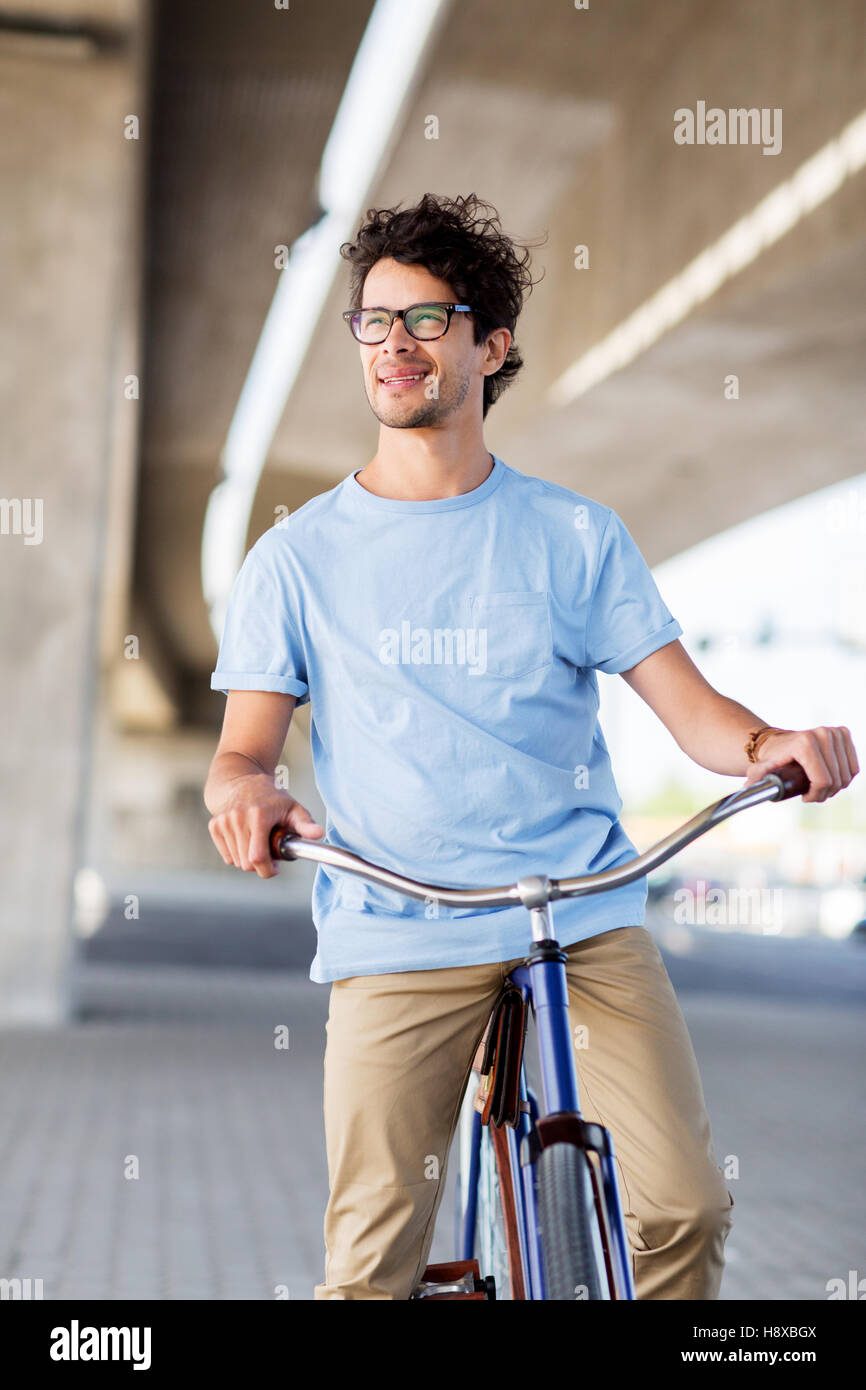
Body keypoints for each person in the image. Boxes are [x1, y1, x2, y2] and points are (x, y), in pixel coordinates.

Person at [204, 192, 858, 1300]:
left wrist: (769, 742)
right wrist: (246, 799)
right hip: (398, 925)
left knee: (681, 1208)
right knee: (368, 1267)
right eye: (373, 321)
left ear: (487, 344)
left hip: (576, 914)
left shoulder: (572, 536)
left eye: (424, 320)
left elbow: (693, 713)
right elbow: (241, 755)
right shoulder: (296, 560)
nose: (394, 346)